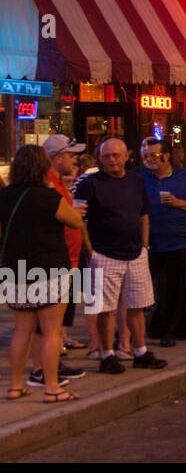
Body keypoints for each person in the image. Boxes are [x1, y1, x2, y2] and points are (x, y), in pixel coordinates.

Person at [2, 145, 87, 402]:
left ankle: (15, 386)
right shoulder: (47, 197)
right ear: (42, 167)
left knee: (22, 329)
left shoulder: (4, 196)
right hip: (49, 269)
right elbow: (76, 221)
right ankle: (52, 388)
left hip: (15, 270)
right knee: (51, 330)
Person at [81, 138, 167, 373]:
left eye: (116, 155)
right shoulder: (90, 184)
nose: (112, 160)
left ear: (126, 156)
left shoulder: (135, 181)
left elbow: (143, 215)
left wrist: (145, 247)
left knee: (137, 306)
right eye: (107, 156)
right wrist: (90, 252)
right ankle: (107, 355)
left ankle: (140, 351)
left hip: (135, 253)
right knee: (105, 309)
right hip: (104, 254)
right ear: (99, 158)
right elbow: (80, 219)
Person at [138, 139, 186, 347]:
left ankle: (169, 331)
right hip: (146, 243)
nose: (149, 160)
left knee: (174, 290)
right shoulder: (139, 177)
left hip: (178, 242)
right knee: (140, 290)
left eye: (154, 155)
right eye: (146, 156)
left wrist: (178, 203)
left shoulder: (184, 178)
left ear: (166, 156)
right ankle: (137, 330)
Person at [41, 135, 88, 361]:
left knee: (64, 307)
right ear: (58, 158)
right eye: (71, 155)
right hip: (57, 259)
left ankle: (60, 342)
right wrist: (74, 214)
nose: (74, 160)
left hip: (69, 256)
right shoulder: (47, 184)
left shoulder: (59, 182)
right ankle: (51, 361)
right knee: (51, 316)